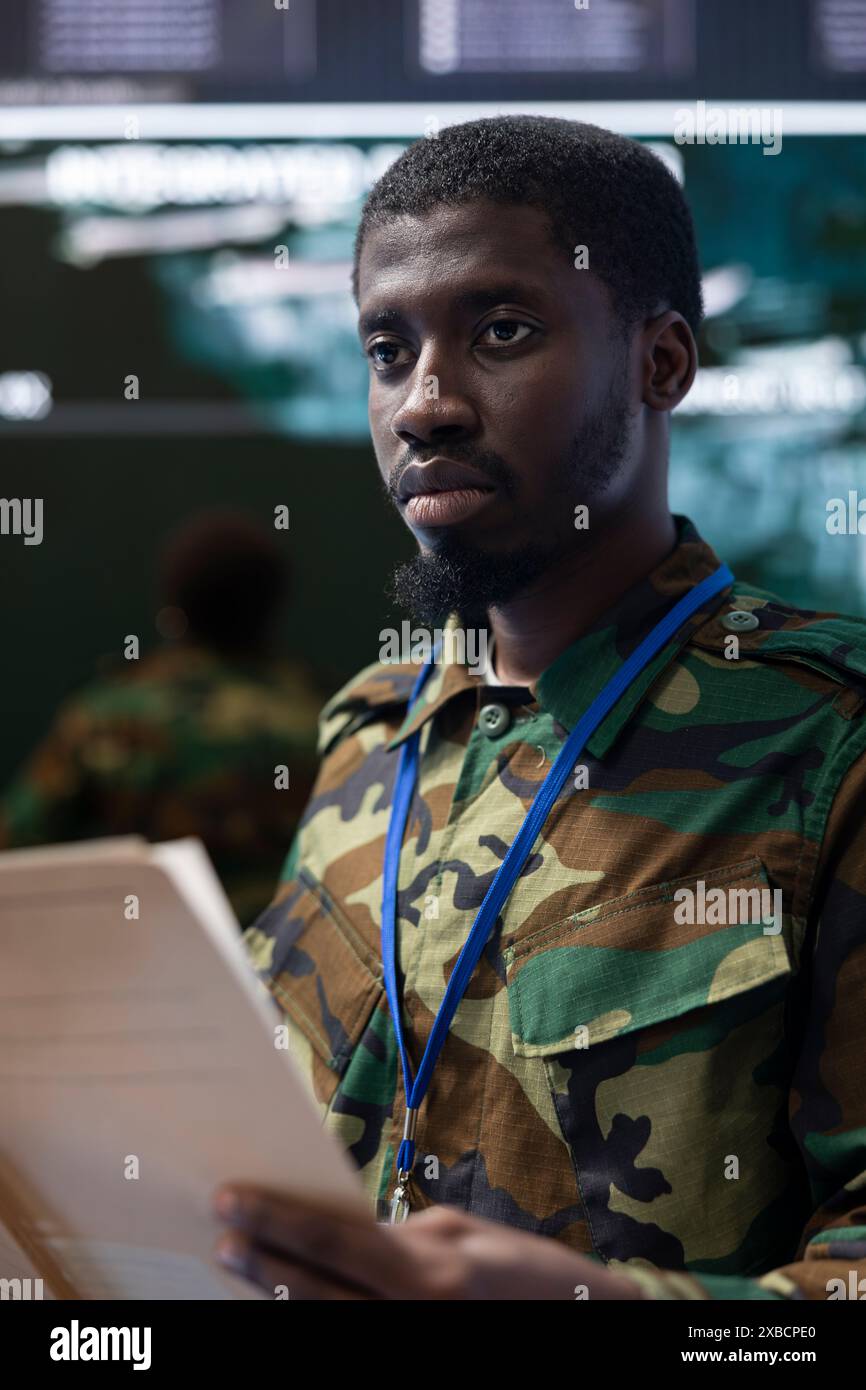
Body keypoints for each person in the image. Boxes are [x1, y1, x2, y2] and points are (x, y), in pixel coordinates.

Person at [212, 117, 866, 1300]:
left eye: (499, 332)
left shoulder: (832, 745)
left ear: (659, 363)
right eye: (385, 348)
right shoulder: (368, 731)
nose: (424, 406)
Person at [0, 511, 323, 927]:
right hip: (295, 965)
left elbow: (19, 841)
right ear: (272, 604)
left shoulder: (110, 714)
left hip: (151, 958)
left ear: (174, 601)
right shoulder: (328, 713)